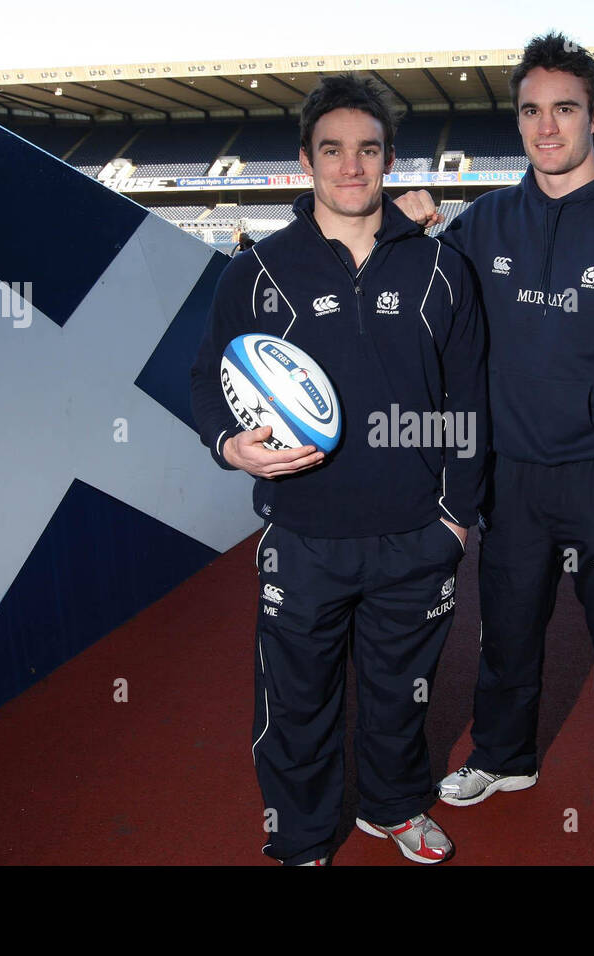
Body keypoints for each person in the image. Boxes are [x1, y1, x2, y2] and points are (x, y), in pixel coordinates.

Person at [395, 32, 594, 866]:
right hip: (513, 479)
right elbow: (423, 302)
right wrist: (405, 223)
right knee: (507, 638)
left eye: (564, 108)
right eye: (531, 110)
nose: (546, 126)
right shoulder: (485, 220)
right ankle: (505, 758)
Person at [189, 73, 487, 866]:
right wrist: (229, 444)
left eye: (367, 150)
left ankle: (390, 808)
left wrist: (455, 520)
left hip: (415, 540)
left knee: (400, 697)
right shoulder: (257, 274)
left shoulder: (439, 271)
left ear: (389, 159)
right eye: (333, 151)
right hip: (305, 536)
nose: (351, 167)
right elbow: (202, 379)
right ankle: (302, 834)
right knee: (297, 704)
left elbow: (469, 398)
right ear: (305, 161)